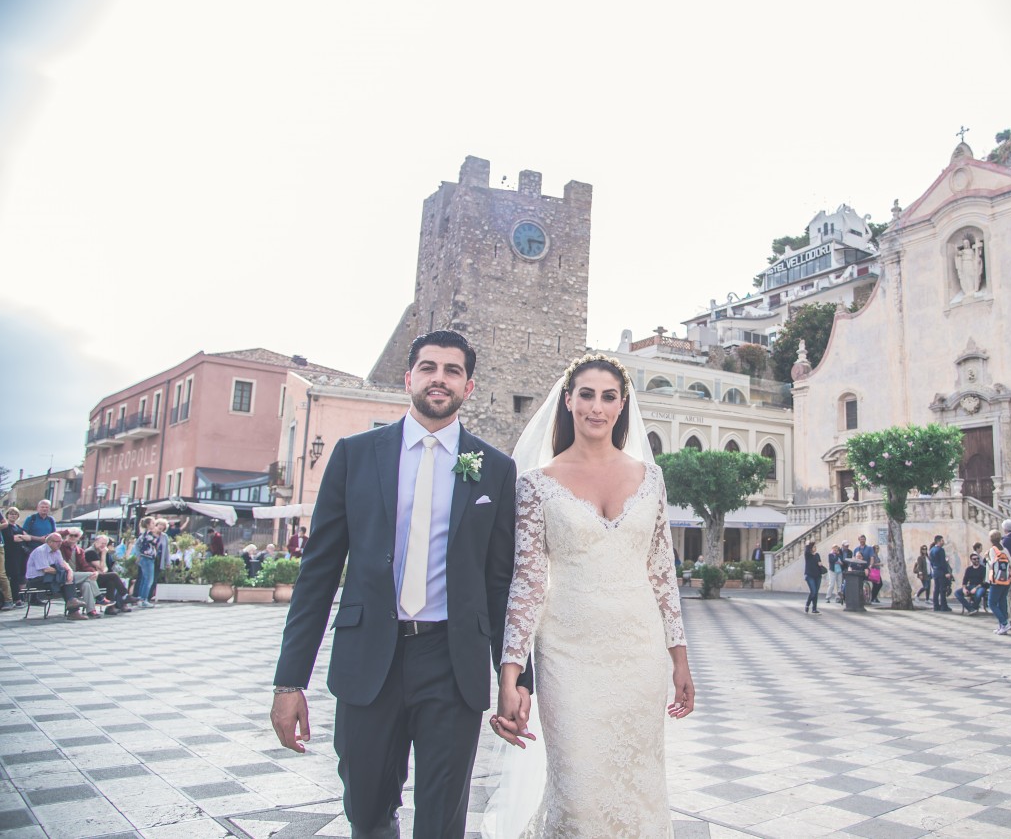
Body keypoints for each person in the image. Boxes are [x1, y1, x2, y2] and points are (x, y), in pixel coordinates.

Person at [271, 331, 531, 839]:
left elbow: (502, 584)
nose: (440, 378)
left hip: (452, 662)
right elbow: (317, 576)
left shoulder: (495, 470)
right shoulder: (355, 455)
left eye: (452, 370)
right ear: (408, 378)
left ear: (469, 386)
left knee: (441, 819)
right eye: (429, 367)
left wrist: (516, 679)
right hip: (369, 660)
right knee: (366, 811)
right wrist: (289, 681)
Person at [492, 352, 694, 837]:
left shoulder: (652, 480)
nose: (596, 407)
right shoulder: (536, 486)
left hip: (639, 654)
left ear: (622, 405)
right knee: (578, 792)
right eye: (586, 395)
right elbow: (527, 583)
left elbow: (663, 573)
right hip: (567, 654)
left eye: (608, 397)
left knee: (637, 786)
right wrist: (510, 674)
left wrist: (680, 659)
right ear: (569, 401)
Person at [25, 533, 88, 620]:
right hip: (36, 580)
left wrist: (69, 571)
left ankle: (72, 604)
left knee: (67, 579)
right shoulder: (41, 551)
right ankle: (73, 607)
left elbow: (62, 563)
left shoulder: (57, 551)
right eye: (57, 542)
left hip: (50, 577)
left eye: (61, 542)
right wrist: (63, 573)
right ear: (49, 542)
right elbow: (46, 569)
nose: (60, 544)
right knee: (64, 580)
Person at [59, 529, 108, 617]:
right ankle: (99, 597)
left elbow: (85, 565)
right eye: (71, 535)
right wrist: (66, 531)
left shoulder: (79, 550)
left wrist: (94, 572)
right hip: (64, 574)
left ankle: (91, 610)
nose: (73, 537)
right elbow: (50, 537)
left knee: (87, 584)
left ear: (79, 538)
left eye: (76, 536)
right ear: (67, 536)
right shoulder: (61, 545)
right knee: (90, 575)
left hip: (75, 576)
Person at [82, 534, 133, 612]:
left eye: (105, 544)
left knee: (111, 581)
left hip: (98, 576)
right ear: (96, 542)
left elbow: (105, 568)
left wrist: (103, 570)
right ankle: (125, 596)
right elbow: (102, 568)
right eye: (102, 543)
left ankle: (110, 607)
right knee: (114, 575)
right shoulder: (91, 552)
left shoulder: (101, 551)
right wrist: (103, 554)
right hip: (90, 578)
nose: (103, 546)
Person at [985, 530, 1011, 634]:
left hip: (996, 580)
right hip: (1006, 580)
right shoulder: (1005, 550)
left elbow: (991, 565)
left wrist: (987, 558)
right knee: (1002, 602)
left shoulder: (993, 550)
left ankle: (1004, 623)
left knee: (991, 603)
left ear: (990, 539)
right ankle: (1002, 627)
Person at [2, 507, 28, 604]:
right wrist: (22, 537)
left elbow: (28, 537)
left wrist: (20, 537)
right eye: (11, 513)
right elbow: (12, 539)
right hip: (10, 555)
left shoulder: (19, 527)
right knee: (14, 576)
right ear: (7, 515)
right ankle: (16, 598)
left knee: (21, 575)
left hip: (21, 554)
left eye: (15, 514)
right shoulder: (5, 527)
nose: (13, 515)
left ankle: (19, 596)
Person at [133, 518, 160, 608]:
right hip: (147, 558)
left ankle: (140, 599)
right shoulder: (148, 534)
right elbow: (154, 542)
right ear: (148, 525)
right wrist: (156, 534)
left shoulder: (143, 534)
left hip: (146, 558)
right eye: (153, 523)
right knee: (149, 580)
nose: (154, 525)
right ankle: (144, 599)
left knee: (145, 579)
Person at [928, 535, 952, 612]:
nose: (943, 542)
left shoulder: (931, 550)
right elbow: (943, 563)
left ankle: (936, 605)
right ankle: (943, 606)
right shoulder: (940, 550)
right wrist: (946, 572)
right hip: (941, 571)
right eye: (942, 540)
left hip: (935, 571)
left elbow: (931, 562)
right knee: (942, 589)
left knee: (936, 589)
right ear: (938, 541)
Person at [802, 542, 824, 614]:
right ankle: (807, 604)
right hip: (809, 575)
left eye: (815, 547)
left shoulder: (817, 555)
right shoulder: (808, 555)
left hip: (818, 575)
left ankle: (814, 608)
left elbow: (819, 563)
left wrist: (820, 564)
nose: (815, 548)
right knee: (813, 591)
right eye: (814, 547)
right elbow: (806, 550)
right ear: (811, 548)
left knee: (816, 592)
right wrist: (809, 544)